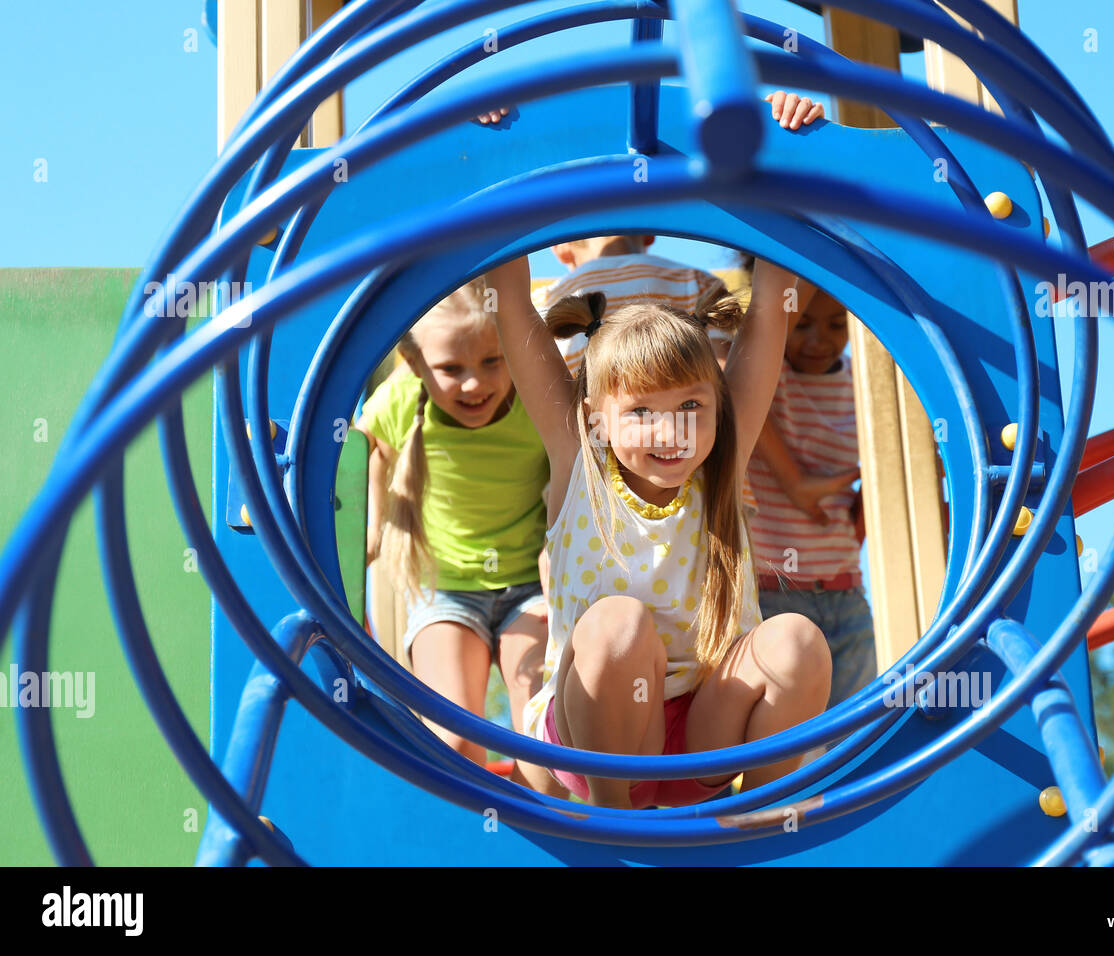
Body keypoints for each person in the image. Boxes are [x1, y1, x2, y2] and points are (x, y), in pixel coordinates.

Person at [482, 254, 831, 809]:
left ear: (719, 408)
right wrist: (502, 234)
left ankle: (759, 819)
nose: (671, 430)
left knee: (797, 641)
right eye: (642, 411)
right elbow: (516, 310)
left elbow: (769, 310)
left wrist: (776, 231)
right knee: (620, 623)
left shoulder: (720, 470)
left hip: (704, 743)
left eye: (691, 405)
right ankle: (612, 822)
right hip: (599, 744)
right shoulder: (581, 467)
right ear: (596, 418)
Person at [354, 280, 562, 794]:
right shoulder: (402, 399)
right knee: (451, 734)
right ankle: (468, 839)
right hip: (447, 590)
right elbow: (365, 446)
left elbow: (574, 472)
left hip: (530, 591)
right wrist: (372, 528)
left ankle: (547, 837)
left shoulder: (535, 399)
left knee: (541, 729)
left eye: (493, 361)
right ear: (415, 361)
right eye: (452, 369)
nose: (475, 384)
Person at [746, 279, 876, 710]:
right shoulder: (767, 378)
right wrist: (793, 479)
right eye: (804, 326)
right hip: (774, 592)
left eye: (838, 324)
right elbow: (735, 367)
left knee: (855, 733)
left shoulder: (867, 386)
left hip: (845, 591)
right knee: (788, 738)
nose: (820, 340)